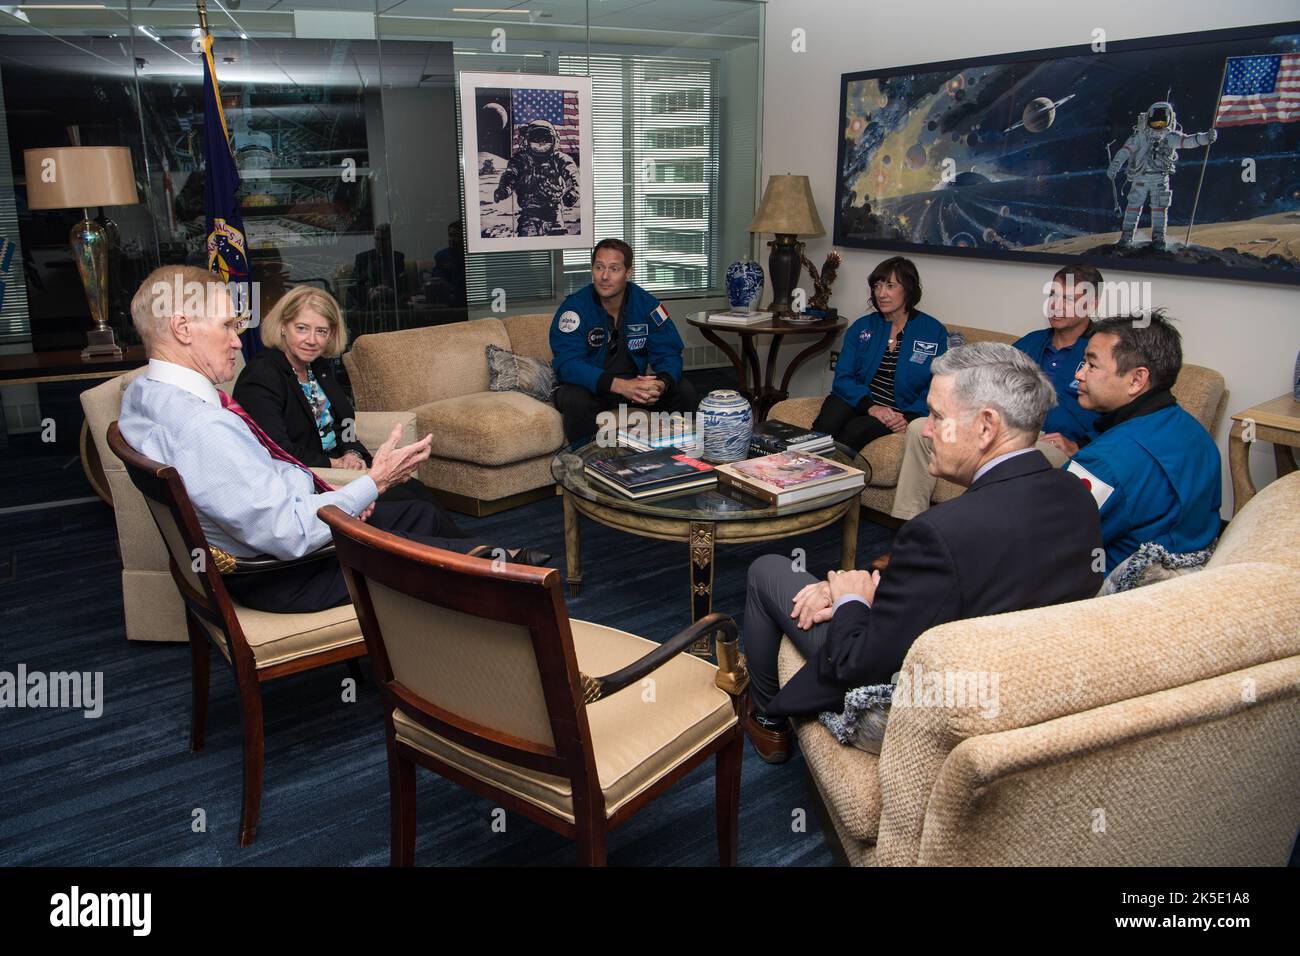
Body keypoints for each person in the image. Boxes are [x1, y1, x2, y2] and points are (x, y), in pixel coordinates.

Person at [741, 343, 1103, 763]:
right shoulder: (1077, 497)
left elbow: (858, 665)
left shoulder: (939, 532)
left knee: (767, 568)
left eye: (937, 416)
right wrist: (872, 588)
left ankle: (767, 719)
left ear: (987, 427)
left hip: (930, 700)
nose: (925, 429)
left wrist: (851, 599)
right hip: (1026, 690)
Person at [118, 265, 542, 616]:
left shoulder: (143, 396)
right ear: (182, 328)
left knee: (422, 520)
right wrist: (372, 484)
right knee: (460, 572)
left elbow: (270, 473)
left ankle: (490, 568)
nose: (236, 340)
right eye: (228, 324)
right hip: (283, 575)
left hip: (274, 547)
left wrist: (344, 485)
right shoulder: (202, 426)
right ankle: (505, 614)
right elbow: (289, 532)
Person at [891, 264, 1103, 521]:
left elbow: (1120, 412)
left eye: (1069, 299)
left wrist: (1081, 445)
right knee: (920, 429)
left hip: (1048, 444)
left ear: (1092, 304)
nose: (1056, 305)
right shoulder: (1031, 342)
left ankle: (970, 539)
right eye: (1053, 296)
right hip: (1004, 428)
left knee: (1002, 453)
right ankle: (908, 527)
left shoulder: (1100, 352)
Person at [232, 284, 458, 516]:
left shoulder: (317, 367)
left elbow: (344, 421)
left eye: (321, 331)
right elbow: (277, 449)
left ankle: (467, 551)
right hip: (310, 477)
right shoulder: (262, 375)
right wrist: (337, 464)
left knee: (415, 489)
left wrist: (353, 453)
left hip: (341, 466)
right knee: (414, 508)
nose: (312, 340)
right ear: (282, 327)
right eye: (302, 328)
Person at [1068, 310, 1221, 572]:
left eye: (1092, 365)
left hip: (1104, 592)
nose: (1080, 375)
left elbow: (1048, 539)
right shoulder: (1197, 435)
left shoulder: (1104, 463)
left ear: (1137, 380)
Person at [550, 238, 698, 445]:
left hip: (633, 387)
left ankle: (680, 454)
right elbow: (568, 364)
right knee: (576, 398)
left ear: (628, 272)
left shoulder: (647, 305)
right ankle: (585, 463)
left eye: (614, 269)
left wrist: (661, 383)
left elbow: (669, 352)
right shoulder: (574, 309)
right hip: (592, 388)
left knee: (683, 390)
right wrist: (620, 386)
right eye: (599, 267)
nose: (604, 276)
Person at [812, 256, 947, 455]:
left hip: (897, 410)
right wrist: (871, 407)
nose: (881, 294)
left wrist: (908, 416)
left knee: (854, 432)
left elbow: (939, 385)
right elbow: (843, 377)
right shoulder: (862, 327)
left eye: (890, 286)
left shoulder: (933, 331)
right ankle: (801, 477)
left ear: (908, 289)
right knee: (825, 426)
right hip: (859, 399)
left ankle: (832, 482)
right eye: (877, 286)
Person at [494, 119, 580, 237]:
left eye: (545, 138)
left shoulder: (559, 159)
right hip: (529, 214)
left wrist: (573, 192)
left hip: (553, 213)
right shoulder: (521, 160)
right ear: (527, 140)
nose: (541, 142)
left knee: (557, 242)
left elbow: (571, 174)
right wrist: (504, 189)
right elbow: (510, 175)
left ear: (554, 140)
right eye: (536, 138)